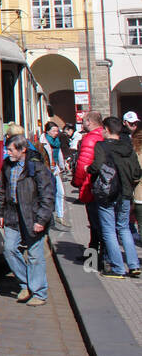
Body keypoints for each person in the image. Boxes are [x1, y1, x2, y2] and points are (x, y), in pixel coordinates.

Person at [0, 135, 56, 305]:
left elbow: (47, 195)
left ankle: (39, 293)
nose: (8, 153)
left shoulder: (36, 167)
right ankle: (27, 283)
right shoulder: (7, 165)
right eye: (7, 149)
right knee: (9, 249)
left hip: (32, 216)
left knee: (35, 255)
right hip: (13, 214)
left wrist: (41, 220)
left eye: (11, 150)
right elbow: (1, 190)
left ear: (23, 150)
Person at [88, 116, 142, 278]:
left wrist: (88, 169)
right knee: (124, 228)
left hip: (107, 193)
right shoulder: (128, 147)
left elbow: (96, 166)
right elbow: (136, 173)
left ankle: (118, 268)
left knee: (109, 231)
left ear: (107, 130)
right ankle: (133, 265)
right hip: (125, 193)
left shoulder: (101, 146)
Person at [74, 111, 106, 257]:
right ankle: (96, 255)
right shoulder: (105, 135)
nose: (82, 124)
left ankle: (97, 258)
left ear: (89, 122)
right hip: (107, 186)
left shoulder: (90, 139)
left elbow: (83, 164)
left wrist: (77, 182)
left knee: (95, 224)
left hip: (91, 185)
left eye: (84, 121)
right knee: (102, 223)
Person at [39, 120, 69, 231]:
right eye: (54, 131)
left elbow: (59, 153)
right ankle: (48, 218)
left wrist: (62, 165)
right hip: (46, 170)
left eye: (57, 130)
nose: (56, 133)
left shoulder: (56, 141)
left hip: (55, 169)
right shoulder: (42, 142)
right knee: (48, 194)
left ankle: (60, 216)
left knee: (61, 192)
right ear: (47, 132)